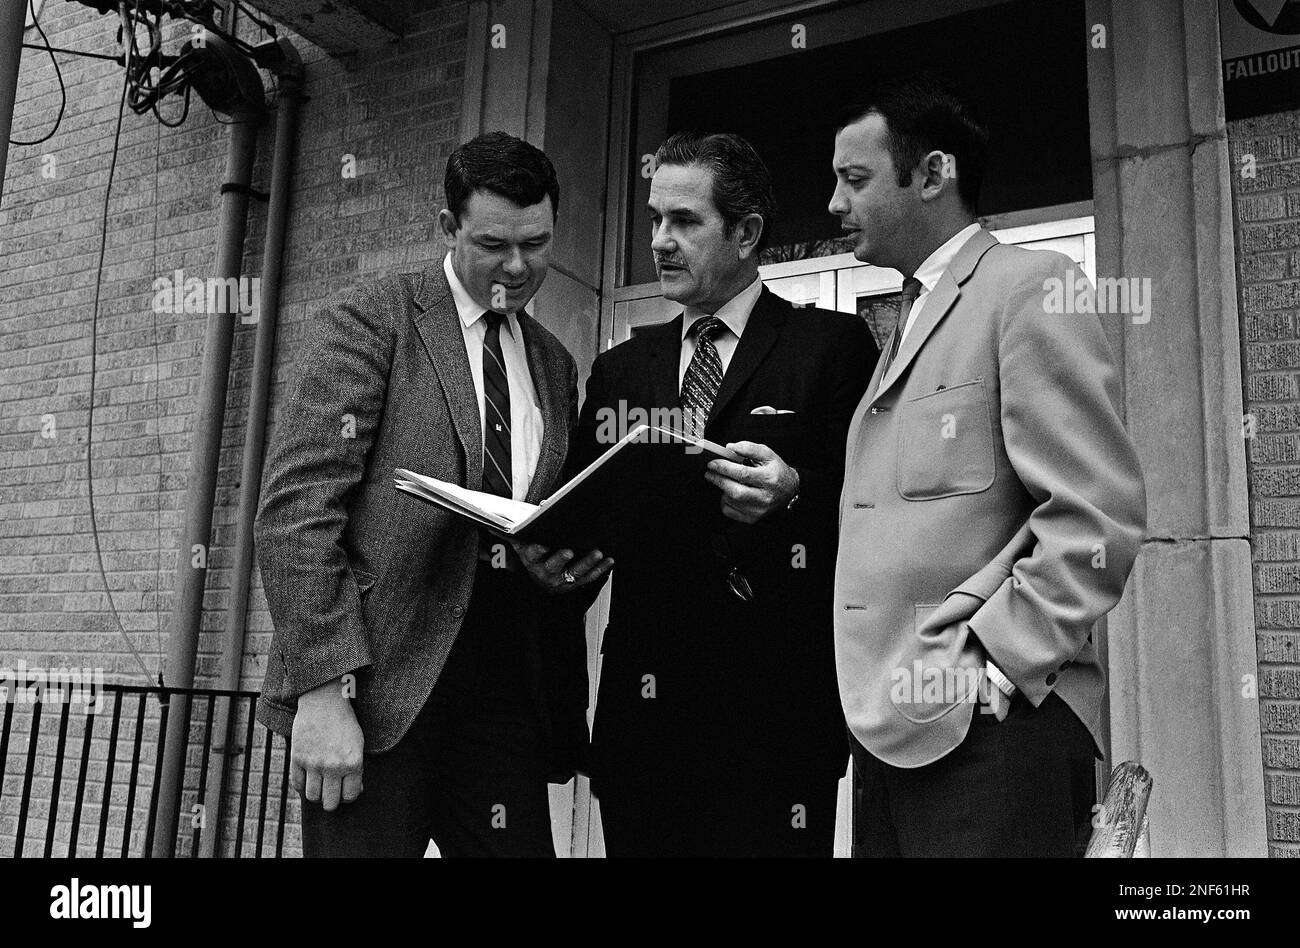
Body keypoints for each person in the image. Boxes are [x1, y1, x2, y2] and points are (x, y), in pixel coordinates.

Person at [254, 131, 611, 857]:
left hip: (508, 700)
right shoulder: (373, 316)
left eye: (537, 244)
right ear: (447, 228)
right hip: (377, 696)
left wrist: (555, 566)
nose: (518, 266)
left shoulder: (553, 362)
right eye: (492, 245)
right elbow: (296, 511)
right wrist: (324, 689)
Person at [828, 73, 1147, 857]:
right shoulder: (907, 320)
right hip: (892, 732)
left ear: (934, 174)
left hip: (995, 733)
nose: (834, 204)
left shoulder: (1031, 287)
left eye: (854, 179)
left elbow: (1095, 516)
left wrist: (992, 668)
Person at [562, 131, 877, 856]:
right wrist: (559, 561)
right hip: (644, 722)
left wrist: (794, 495)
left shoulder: (830, 346)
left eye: (684, 222)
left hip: (776, 722)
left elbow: (873, 513)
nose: (661, 242)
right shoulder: (619, 370)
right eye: (653, 220)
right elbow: (587, 509)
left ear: (747, 233)